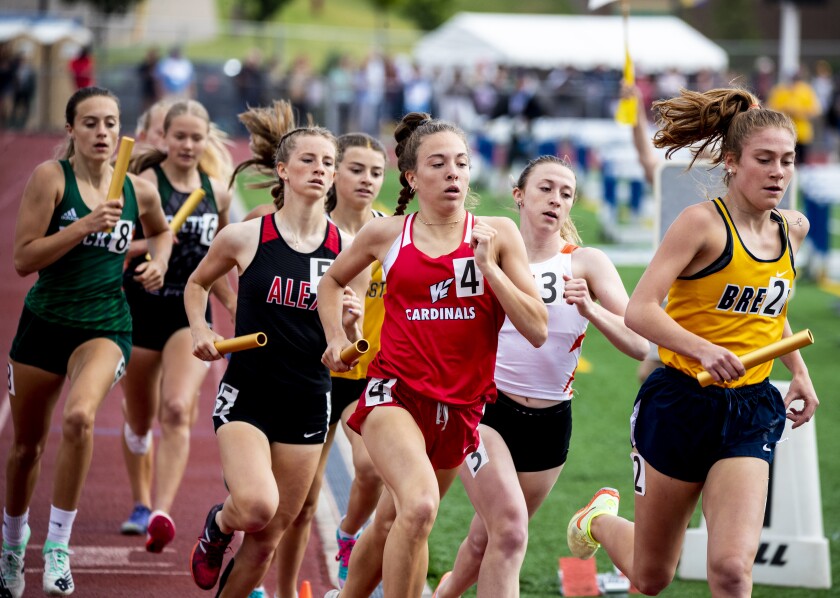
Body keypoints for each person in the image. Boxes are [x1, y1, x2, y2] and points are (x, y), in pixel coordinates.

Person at [566, 87, 820, 598]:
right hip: (680, 402)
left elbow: (775, 309)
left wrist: (799, 372)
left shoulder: (792, 230)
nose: (777, 172)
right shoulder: (701, 223)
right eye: (764, 159)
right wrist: (702, 349)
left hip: (750, 409)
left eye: (787, 161)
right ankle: (597, 521)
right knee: (652, 575)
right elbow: (639, 310)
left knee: (730, 569)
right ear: (731, 161)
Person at [318, 112, 549, 598]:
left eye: (462, 164)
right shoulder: (388, 234)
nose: (453, 173)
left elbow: (537, 329)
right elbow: (333, 280)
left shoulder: (498, 234)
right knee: (420, 507)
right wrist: (336, 339)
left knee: (391, 520)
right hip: (394, 394)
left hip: (461, 408)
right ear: (412, 177)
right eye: (439, 164)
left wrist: (491, 269)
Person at [433, 155, 648, 598]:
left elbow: (641, 344)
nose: (556, 200)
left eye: (566, 194)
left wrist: (592, 311)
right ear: (519, 196)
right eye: (546, 189)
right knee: (510, 532)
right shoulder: (482, 252)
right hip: (485, 411)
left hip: (551, 422)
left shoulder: (585, 263)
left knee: (484, 538)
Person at [184, 100, 368, 597]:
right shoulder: (246, 236)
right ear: (282, 170)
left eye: (328, 163)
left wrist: (348, 330)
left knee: (266, 541)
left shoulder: (351, 250)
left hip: (309, 398)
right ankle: (219, 525)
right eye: (308, 160)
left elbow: (349, 350)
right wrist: (201, 331)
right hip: (249, 394)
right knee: (257, 507)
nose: (320, 170)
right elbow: (197, 284)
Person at [1, 86, 172, 598]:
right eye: (91, 123)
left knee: (79, 418)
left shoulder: (139, 190)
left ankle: (57, 548)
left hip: (106, 325)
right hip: (45, 324)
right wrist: (84, 228)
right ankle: (12, 545)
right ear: (71, 130)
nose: (102, 132)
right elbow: (24, 260)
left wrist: (158, 261)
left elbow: (161, 231)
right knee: (26, 449)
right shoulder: (51, 179)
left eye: (111, 123)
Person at [117, 100, 235, 551]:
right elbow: (114, 242)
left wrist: (234, 304)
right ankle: (139, 500)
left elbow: (219, 259)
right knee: (140, 419)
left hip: (190, 315)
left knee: (177, 409)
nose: (187, 144)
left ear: (206, 140)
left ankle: (159, 513)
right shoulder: (145, 184)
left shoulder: (216, 192)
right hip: (139, 307)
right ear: (163, 138)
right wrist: (156, 250)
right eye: (179, 136)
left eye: (195, 136)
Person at [767, 68, 821, 164]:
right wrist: (785, 110)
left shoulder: (806, 90)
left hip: (802, 134)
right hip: (783, 133)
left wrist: (799, 112)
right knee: (783, 161)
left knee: (802, 162)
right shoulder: (780, 90)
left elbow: (816, 111)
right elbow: (770, 109)